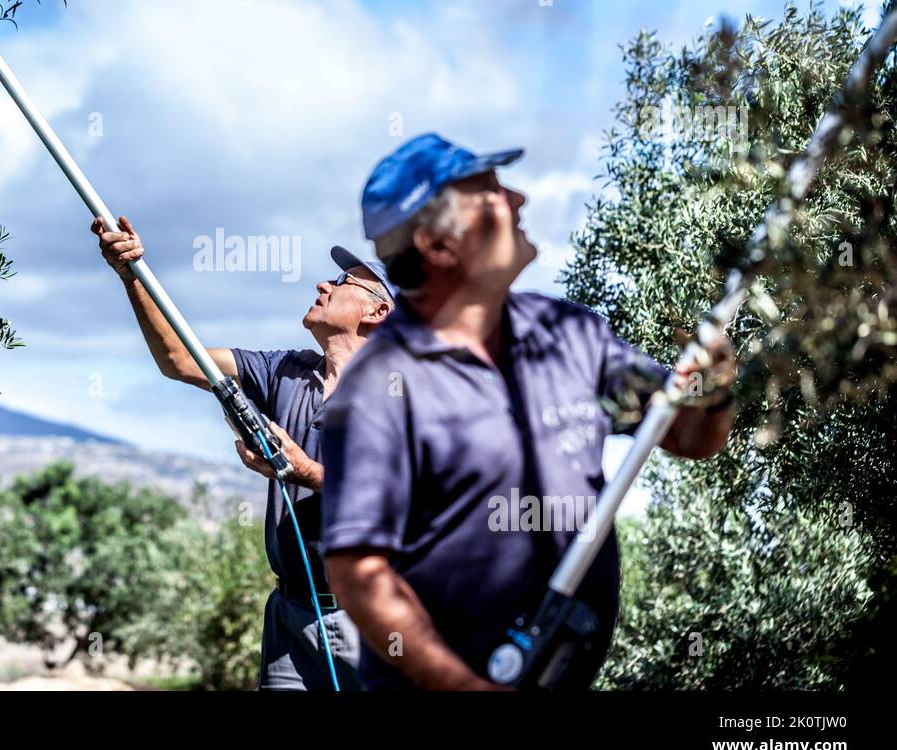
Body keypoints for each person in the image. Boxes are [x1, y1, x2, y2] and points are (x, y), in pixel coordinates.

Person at [320, 132, 736, 690]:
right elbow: (358, 575)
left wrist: (714, 391)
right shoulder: (380, 387)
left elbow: (688, 437)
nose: (518, 200)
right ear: (439, 245)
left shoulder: (567, 334)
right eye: (491, 191)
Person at [92, 214, 395, 690]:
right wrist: (131, 274)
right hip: (289, 616)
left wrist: (306, 471)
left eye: (342, 281)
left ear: (377, 312)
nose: (323, 283)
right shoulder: (284, 370)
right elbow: (179, 358)